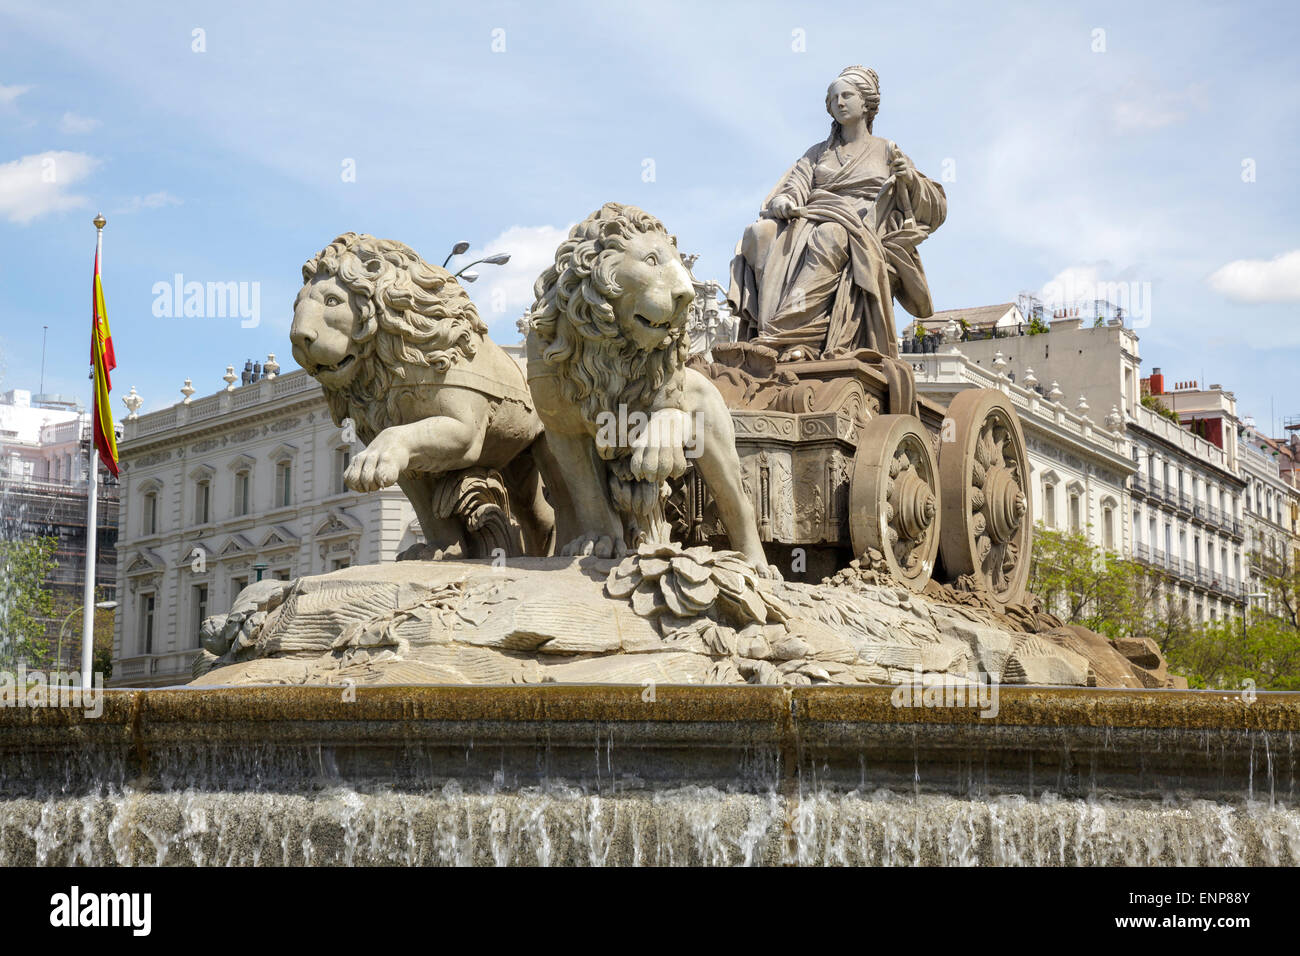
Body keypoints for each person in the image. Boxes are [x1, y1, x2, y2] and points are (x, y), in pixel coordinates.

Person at [727, 66, 947, 363]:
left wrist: (910, 179)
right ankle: (771, 331)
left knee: (830, 234)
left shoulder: (886, 150)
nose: (839, 102)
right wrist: (784, 200)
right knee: (760, 233)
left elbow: (935, 209)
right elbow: (796, 185)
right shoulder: (817, 153)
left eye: (847, 95)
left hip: (861, 229)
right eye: (833, 98)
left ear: (866, 102)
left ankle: (782, 335)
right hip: (812, 217)